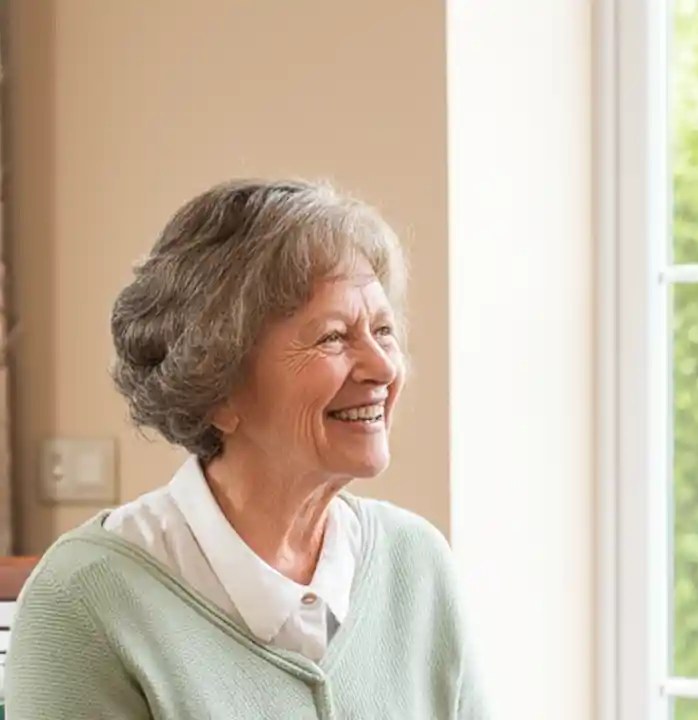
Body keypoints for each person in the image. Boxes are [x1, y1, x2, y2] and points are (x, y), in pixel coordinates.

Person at [4, 179, 489, 718]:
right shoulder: (86, 601)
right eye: (333, 336)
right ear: (217, 388)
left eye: (383, 330)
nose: (382, 367)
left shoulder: (416, 566)